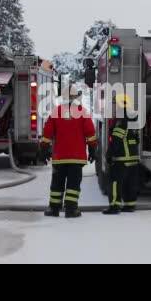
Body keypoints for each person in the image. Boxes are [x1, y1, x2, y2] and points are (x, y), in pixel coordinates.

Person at [40, 85, 97, 219]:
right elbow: (91, 134)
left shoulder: (56, 112)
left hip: (59, 158)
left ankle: (53, 209)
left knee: (57, 183)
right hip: (76, 159)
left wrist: (44, 150)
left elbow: (47, 133)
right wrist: (93, 150)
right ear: (77, 97)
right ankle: (71, 209)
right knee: (73, 185)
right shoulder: (82, 112)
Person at [103, 94, 141, 215]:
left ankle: (114, 206)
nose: (114, 107)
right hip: (133, 158)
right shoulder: (134, 118)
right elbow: (137, 139)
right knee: (130, 182)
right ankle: (130, 205)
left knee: (114, 181)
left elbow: (116, 140)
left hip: (122, 158)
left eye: (115, 104)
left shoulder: (121, 120)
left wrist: (109, 155)